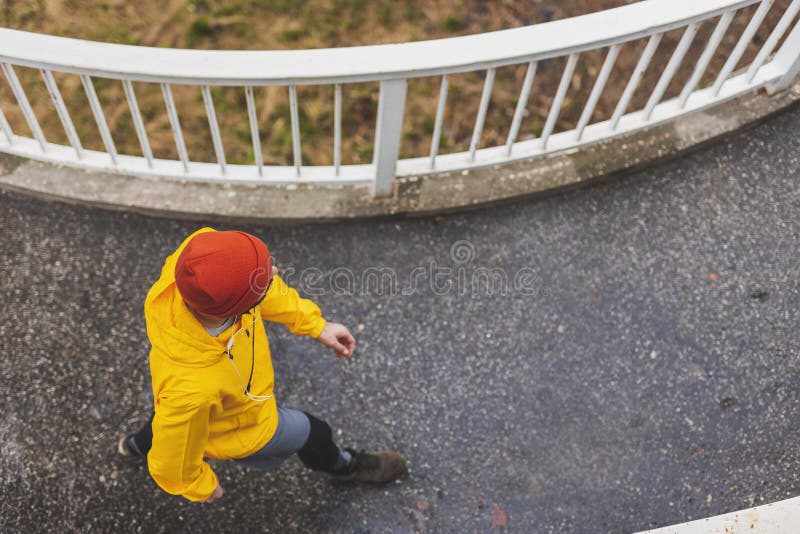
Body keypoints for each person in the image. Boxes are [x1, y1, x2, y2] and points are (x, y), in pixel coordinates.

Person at [117, 227, 406, 503]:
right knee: (315, 433)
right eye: (264, 280)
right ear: (234, 310)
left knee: (174, 422)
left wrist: (316, 325)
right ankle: (346, 466)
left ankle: (135, 446)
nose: (275, 273)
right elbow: (171, 466)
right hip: (243, 425)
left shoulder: (199, 258)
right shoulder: (189, 394)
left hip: (198, 396)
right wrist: (200, 485)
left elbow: (259, 292)